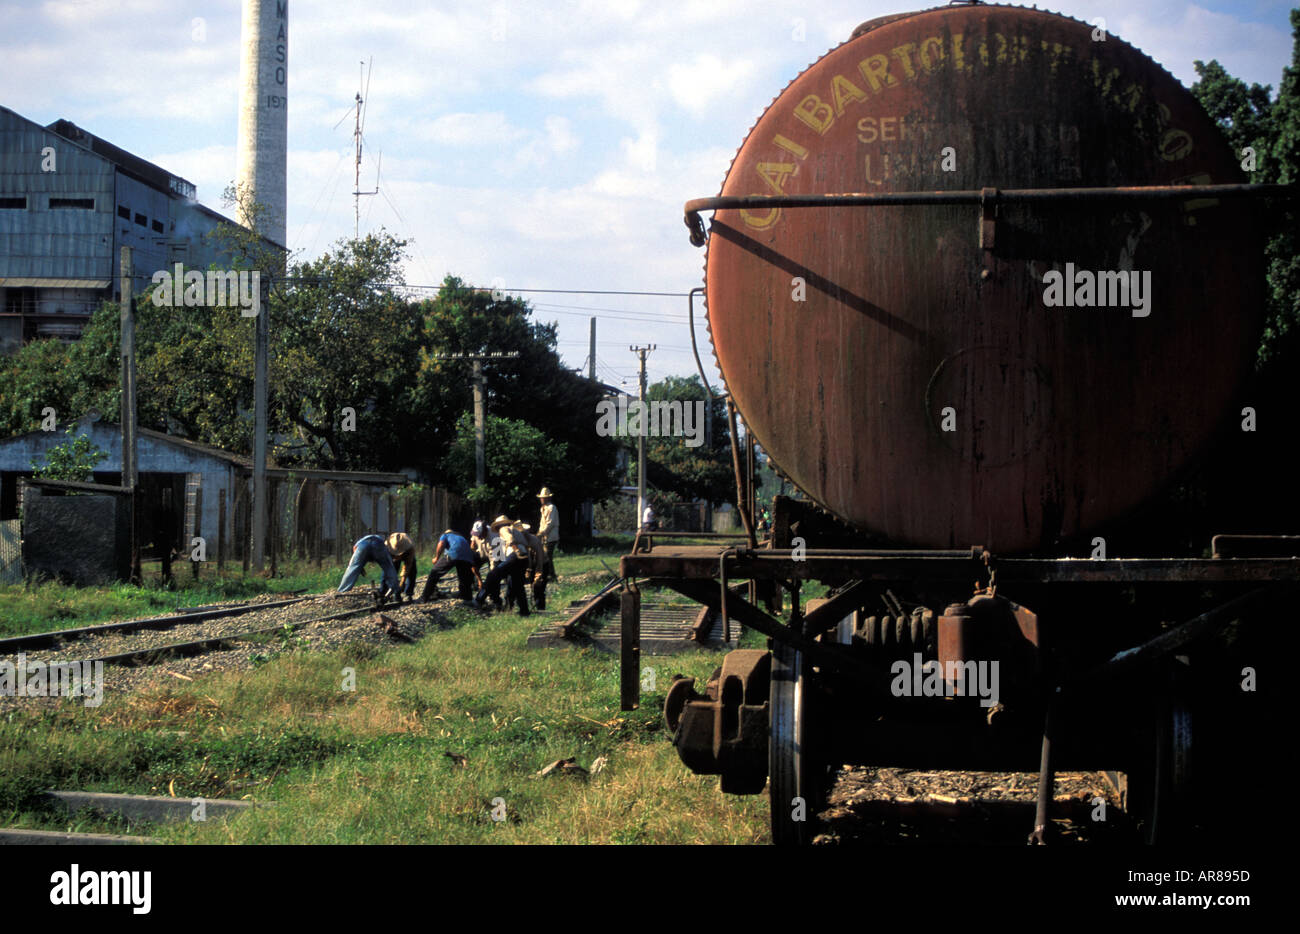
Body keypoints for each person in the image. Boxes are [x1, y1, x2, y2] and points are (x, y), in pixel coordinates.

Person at [472, 515, 529, 616]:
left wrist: (515, 549)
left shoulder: (502, 530)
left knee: (492, 575)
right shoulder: (513, 530)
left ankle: (479, 600)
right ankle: (524, 612)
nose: (479, 537)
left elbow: (497, 559)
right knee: (518, 585)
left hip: (514, 555)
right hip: (524, 558)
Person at [420, 528, 481, 602]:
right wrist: (478, 579)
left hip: (453, 554)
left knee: (434, 573)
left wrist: (436, 558)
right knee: (464, 579)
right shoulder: (462, 538)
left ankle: (424, 597)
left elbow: (441, 543)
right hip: (467, 557)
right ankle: (467, 599)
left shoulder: (445, 535)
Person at [337, 533, 401, 601]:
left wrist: (360, 567)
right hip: (378, 544)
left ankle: (343, 590)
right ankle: (396, 590)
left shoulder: (357, 545)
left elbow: (355, 561)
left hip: (362, 546)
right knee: (388, 566)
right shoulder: (382, 542)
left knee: (352, 568)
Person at [512, 520, 549, 611]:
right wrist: (528, 570)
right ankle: (536, 607)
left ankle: (541, 609)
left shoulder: (534, 541)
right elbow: (527, 557)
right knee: (533, 588)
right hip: (532, 565)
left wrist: (538, 575)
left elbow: (540, 559)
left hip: (542, 564)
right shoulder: (520, 542)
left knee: (539, 587)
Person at [536, 487, 559, 583]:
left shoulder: (551, 508)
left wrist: (542, 533)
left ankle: (552, 576)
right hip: (545, 537)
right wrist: (539, 533)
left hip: (551, 536)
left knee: (547, 556)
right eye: (541, 497)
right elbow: (542, 523)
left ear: (547, 498)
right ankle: (550, 575)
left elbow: (550, 524)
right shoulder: (543, 509)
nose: (542, 499)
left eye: (543, 497)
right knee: (546, 556)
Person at [386, 532, 418, 602]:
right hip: (392, 555)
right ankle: (387, 592)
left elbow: (407, 566)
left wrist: (402, 582)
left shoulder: (410, 548)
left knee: (412, 572)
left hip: (407, 554)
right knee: (388, 573)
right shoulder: (387, 545)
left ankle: (408, 593)